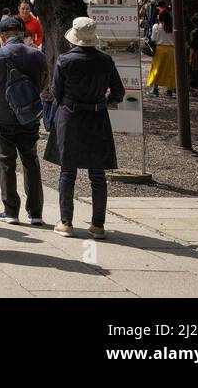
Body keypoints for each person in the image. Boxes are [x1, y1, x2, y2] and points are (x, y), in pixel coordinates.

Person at [46, 17, 125, 239]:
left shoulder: (64, 60)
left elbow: (56, 92)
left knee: (67, 171)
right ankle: (98, 225)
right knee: (97, 174)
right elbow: (118, 93)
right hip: (97, 116)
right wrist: (104, 99)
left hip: (70, 116)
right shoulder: (105, 61)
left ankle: (66, 222)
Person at [0, 14, 47, 226]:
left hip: (2, 114)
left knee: (6, 161)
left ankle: (11, 210)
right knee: (30, 161)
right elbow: (43, 83)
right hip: (29, 115)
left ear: (2, 36)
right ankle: (35, 212)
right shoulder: (37, 56)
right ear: (23, 34)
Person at [147, 11, 176, 97]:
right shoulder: (173, 27)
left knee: (156, 69)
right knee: (170, 70)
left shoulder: (156, 26)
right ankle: (169, 91)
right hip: (171, 50)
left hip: (160, 50)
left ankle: (155, 90)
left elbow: (153, 39)